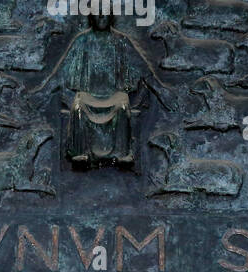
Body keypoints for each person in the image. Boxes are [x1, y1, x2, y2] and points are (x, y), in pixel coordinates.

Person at [40, 12, 166, 168]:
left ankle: (122, 153)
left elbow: (142, 67)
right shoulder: (82, 41)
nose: (101, 18)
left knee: (122, 107)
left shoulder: (121, 41)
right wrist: (42, 91)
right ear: (91, 18)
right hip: (88, 94)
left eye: (105, 15)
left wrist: (160, 89)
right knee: (78, 107)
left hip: (115, 94)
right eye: (97, 15)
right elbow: (61, 72)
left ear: (111, 17)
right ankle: (80, 153)